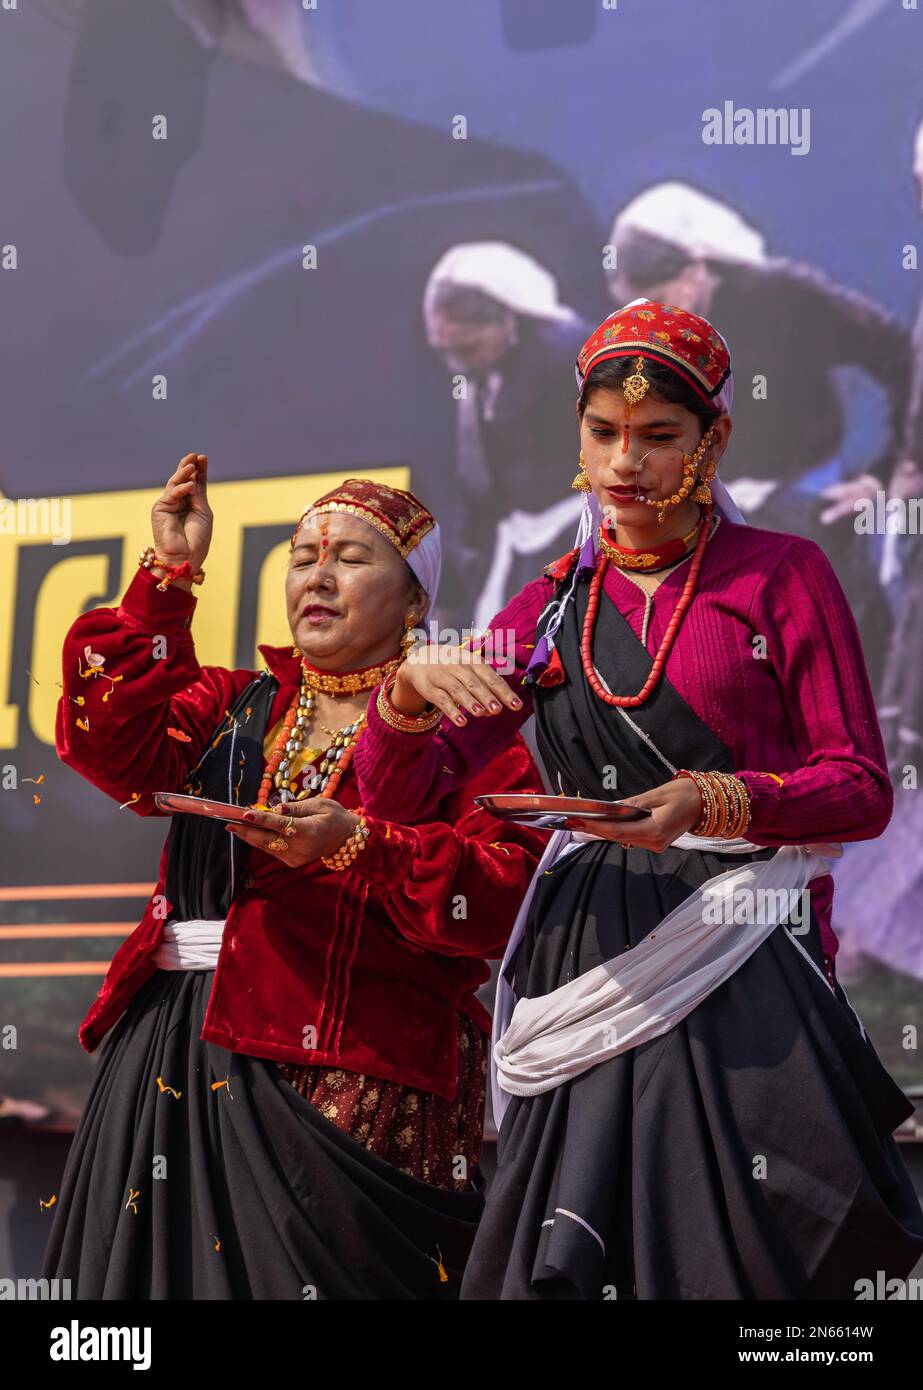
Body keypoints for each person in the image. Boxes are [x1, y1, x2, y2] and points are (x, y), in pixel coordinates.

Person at [351, 300, 923, 1299]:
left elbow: (859, 789)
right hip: (585, 971)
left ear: (714, 438)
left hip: (740, 952)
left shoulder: (781, 577)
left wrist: (709, 800)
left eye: (658, 437)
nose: (624, 462)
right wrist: (399, 702)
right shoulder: (549, 604)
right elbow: (407, 793)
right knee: (576, 1250)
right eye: (602, 434)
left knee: (742, 1257)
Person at [41, 467, 549, 1299]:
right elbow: (108, 743)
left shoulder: (466, 730)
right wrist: (165, 580)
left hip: (354, 1079)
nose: (317, 576)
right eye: (302, 556)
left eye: (350, 558)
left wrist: (363, 847)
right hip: (175, 1045)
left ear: (415, 600)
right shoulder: (237, 705)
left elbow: (493, 906)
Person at [423, 242, 591, 626]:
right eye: (446, 353)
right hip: (520, 549)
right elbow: (480, 496)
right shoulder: (480, 384)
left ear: (509, 319)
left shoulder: (572, 362)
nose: (456, 366)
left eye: (466, 349)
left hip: (583, 534)